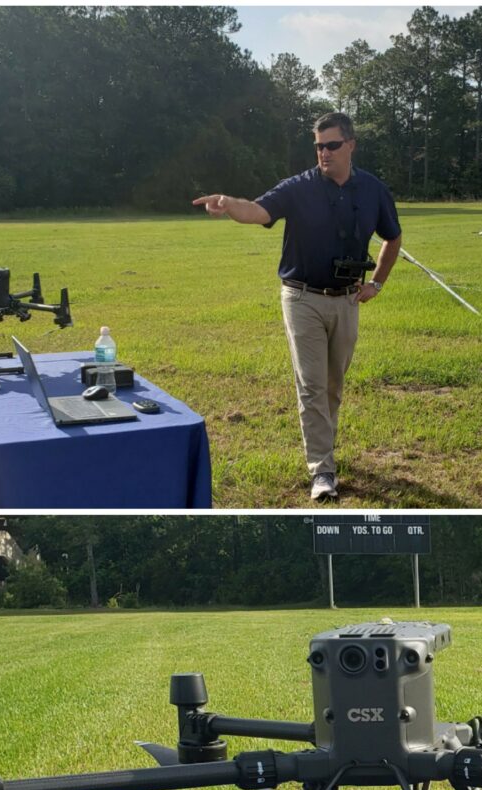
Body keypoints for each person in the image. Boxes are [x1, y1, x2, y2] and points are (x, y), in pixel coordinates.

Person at [193, 112, 402, 501]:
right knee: (312, 384)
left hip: (347, 300)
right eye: (319, 146)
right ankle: (322, 471)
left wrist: (377, 283)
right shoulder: (299, 187)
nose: (324, 153)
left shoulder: (373, 190)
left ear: (351, 145)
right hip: (301, 297)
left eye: (332, 145)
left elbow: (393, 237)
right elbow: (259, 210)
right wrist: (229, 204)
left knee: (334, 385)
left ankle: (326, 447)